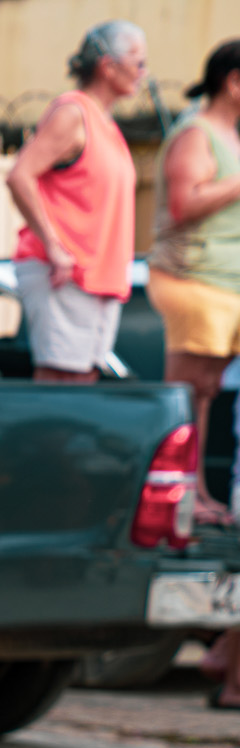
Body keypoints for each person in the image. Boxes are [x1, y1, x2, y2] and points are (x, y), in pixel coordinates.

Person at [5, 20, 144, 385]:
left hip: (96, 277)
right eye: (137, 62)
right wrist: (54, 246)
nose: (143, 73)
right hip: (66, 273)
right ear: (107, 65)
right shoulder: (72, 113)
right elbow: (20, 175)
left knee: (81, 383)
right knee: (60, 383)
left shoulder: (104, 122)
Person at [148, 39, 240, 525]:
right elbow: (185, 206)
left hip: (224, 284)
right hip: (194, 278)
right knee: (186, 393)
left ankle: (197, 492)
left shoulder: (230, 137)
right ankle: (179, 499)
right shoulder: (196, 134)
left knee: (205, 391)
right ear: (234, 81)